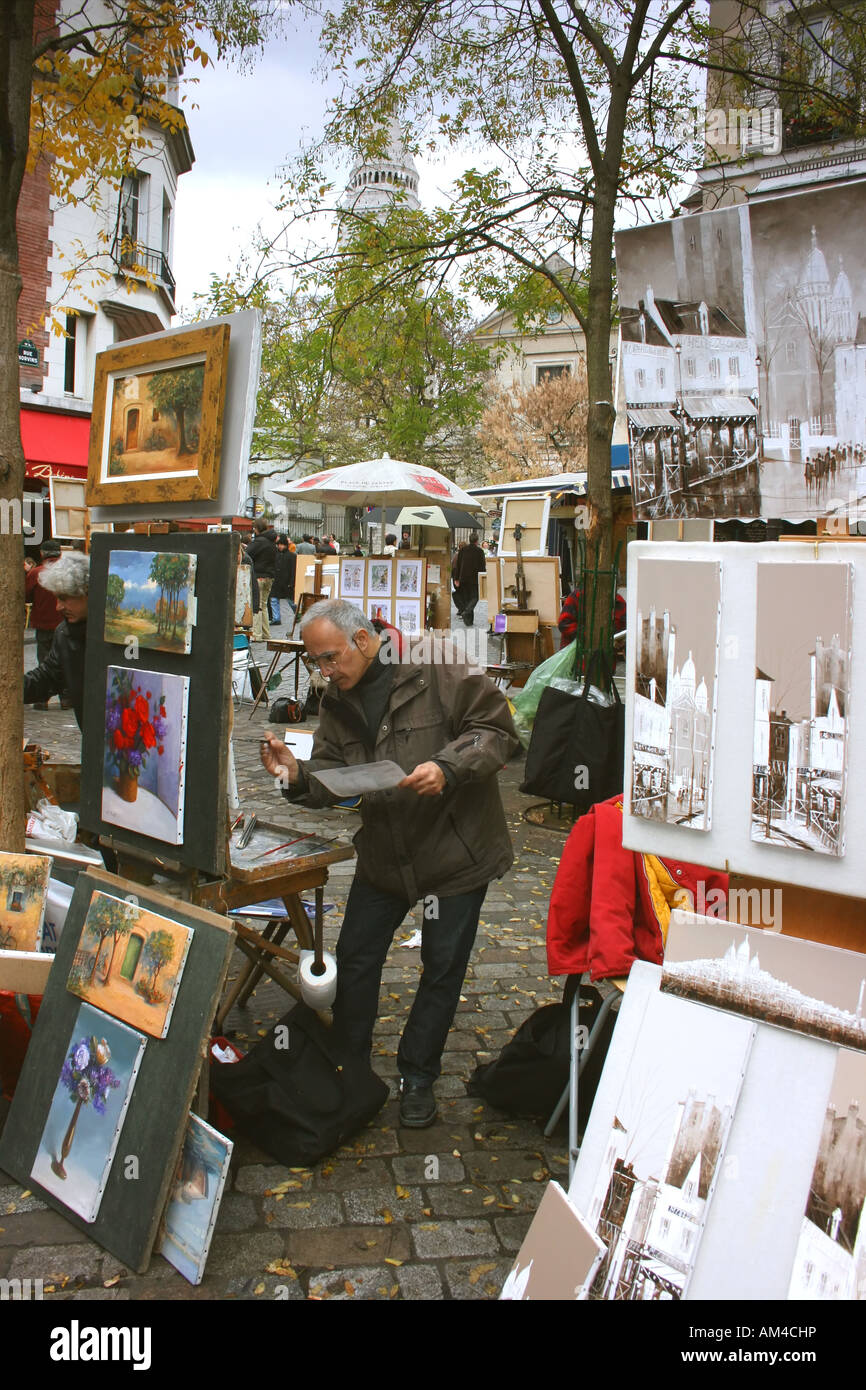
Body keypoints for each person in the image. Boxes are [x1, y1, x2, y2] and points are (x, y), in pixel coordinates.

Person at [259, 598, 519, 1129]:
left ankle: (418, 1074)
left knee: (441, 968)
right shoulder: (337, 698)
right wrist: (296, 776)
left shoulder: (437, 661)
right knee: (356, 959)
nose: (325, 673)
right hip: (385, 852)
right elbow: (332, 773)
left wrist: (448, 766)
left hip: (455, 852)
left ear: (362, 640)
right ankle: (348, 1066)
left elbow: (497, 732)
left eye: (330, 658)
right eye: (316, 663)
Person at [23, 551, 89, 730]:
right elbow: (47, 678)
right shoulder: (65, 633)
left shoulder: (116, 633)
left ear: (87, 593)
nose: (58, 607)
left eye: (64, 598)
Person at [25, 539, 70, 709]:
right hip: (65, 622)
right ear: (60, 553)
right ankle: (66, 698)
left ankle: (41, 699)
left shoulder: (36, 573)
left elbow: (26, 596)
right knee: (65, 659)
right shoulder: (68, 571)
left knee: (44, 661)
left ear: (42, 553)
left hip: (43, 623)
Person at [246, 518, 277, 641]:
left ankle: (257, 635)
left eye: (254, 528)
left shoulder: (259, 541)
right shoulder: (271, 542)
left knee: (257, 605)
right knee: (263, 605)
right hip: (269, 577)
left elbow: (247, 554)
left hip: (258, 576)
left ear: (257, 529)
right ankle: (266, 634)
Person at [452, 532, 486, 627]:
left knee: (467, 599)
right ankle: (467, 612)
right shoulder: (479, 551)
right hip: (474, 579)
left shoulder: (463, 550)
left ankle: (469, 621)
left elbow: (458, 565)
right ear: (477, 541)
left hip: (463, 578)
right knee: (475, 597)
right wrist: (483, 577)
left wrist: (456, 578)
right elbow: (482, 566)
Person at [271, 534, 297, 625]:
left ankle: (298, 615)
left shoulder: (292, 556)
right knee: (274, 599)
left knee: (291, 601)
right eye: (279, 544)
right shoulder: (276, 555)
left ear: (286, 545)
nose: (280, 546)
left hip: (286, 581)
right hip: (277, 580)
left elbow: (293, 570)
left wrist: (292, 582)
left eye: (282, 544)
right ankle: (276, 618)